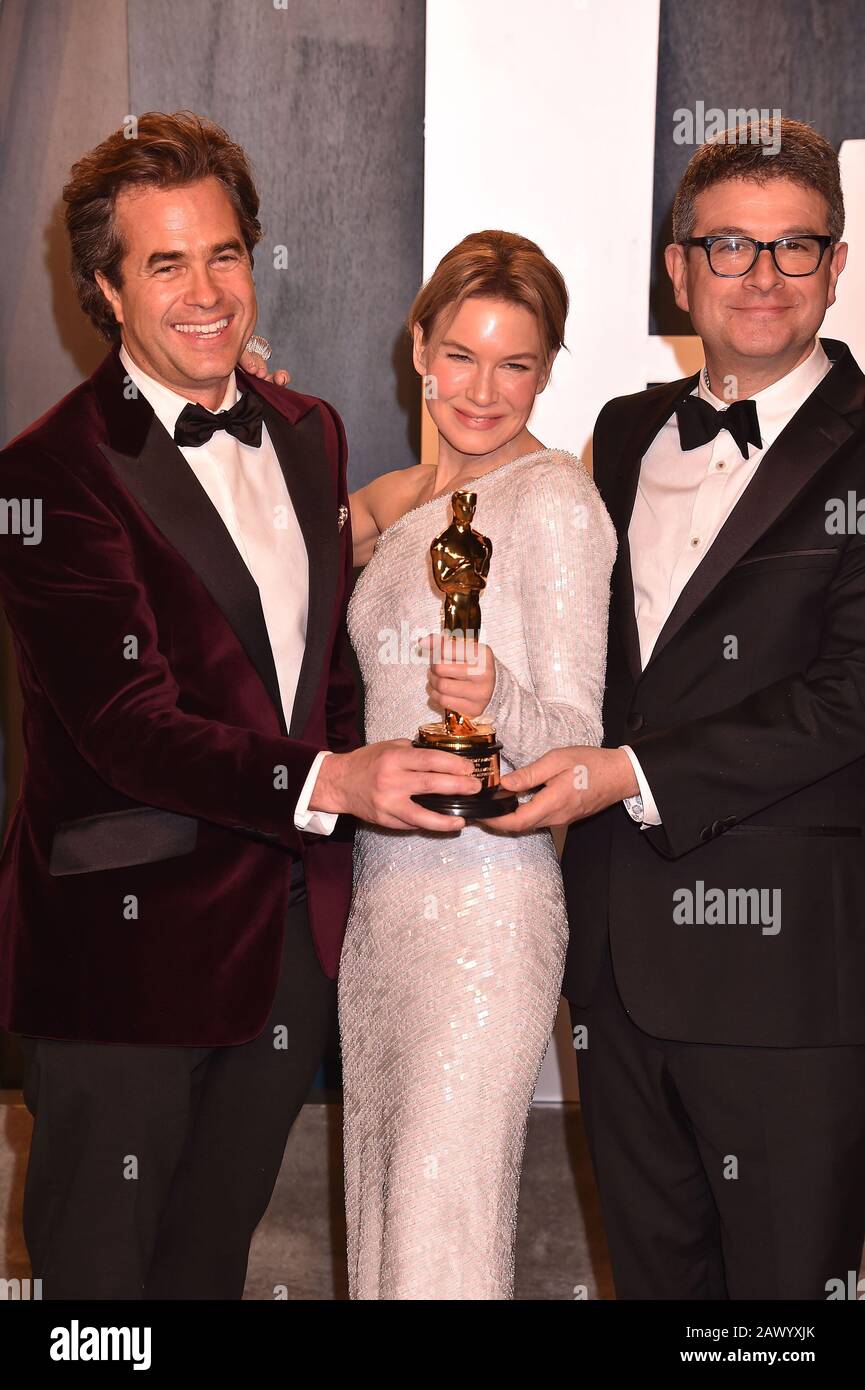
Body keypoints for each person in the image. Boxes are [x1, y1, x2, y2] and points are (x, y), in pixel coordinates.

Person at [0, 110, 478, 1300]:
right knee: (100, 1296)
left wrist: (426, 740)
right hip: (121, 956)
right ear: (106, 290)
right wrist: (331, 781)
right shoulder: (46, 476)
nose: (207, 291)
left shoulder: (309, 431)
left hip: (284, 945)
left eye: (224, 253)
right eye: (165, 263)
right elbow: (123, 723)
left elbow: (323, 672)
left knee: (205, 1273)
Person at [497, 118, 865, 1299]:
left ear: (838, 267)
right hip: (615, 966)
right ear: (678, 270)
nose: (759, 276)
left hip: (789, 975)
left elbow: (851, 694)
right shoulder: (619, 433)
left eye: (793, 248)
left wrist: (628, 775)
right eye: (728, 246)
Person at [329, 231, 616, 1298]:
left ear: (546, 370)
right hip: (382, 901)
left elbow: (574, 738)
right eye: (459, 354)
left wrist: (495, 695)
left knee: (439, 1232)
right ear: (417, 348)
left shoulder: (553, 503)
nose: (483, 390)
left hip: (487, 913)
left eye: (516, 364)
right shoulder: (399, 501)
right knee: (385, 1219)